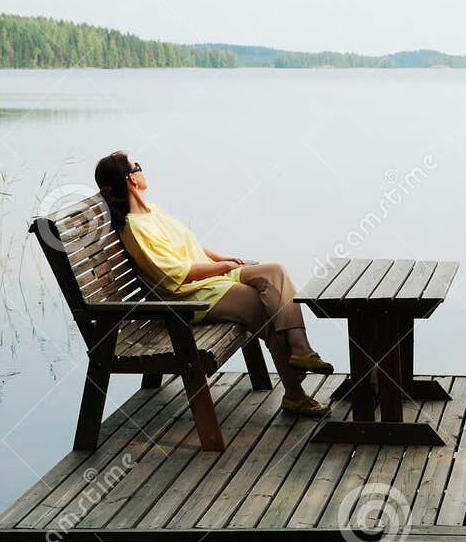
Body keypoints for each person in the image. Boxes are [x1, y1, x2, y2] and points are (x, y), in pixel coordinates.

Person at [94, 151, 331, 416]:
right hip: (189, 296)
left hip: (211, 280)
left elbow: (189, 245)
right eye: (138, 166)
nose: (143, 170)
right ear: (130, 179)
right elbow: (176, 274)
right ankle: (296, 393)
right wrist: (223, 267)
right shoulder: (133, 228)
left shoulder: (152, 211)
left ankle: (301, 347)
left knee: (275, 273)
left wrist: (222, 258)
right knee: (264, 306)